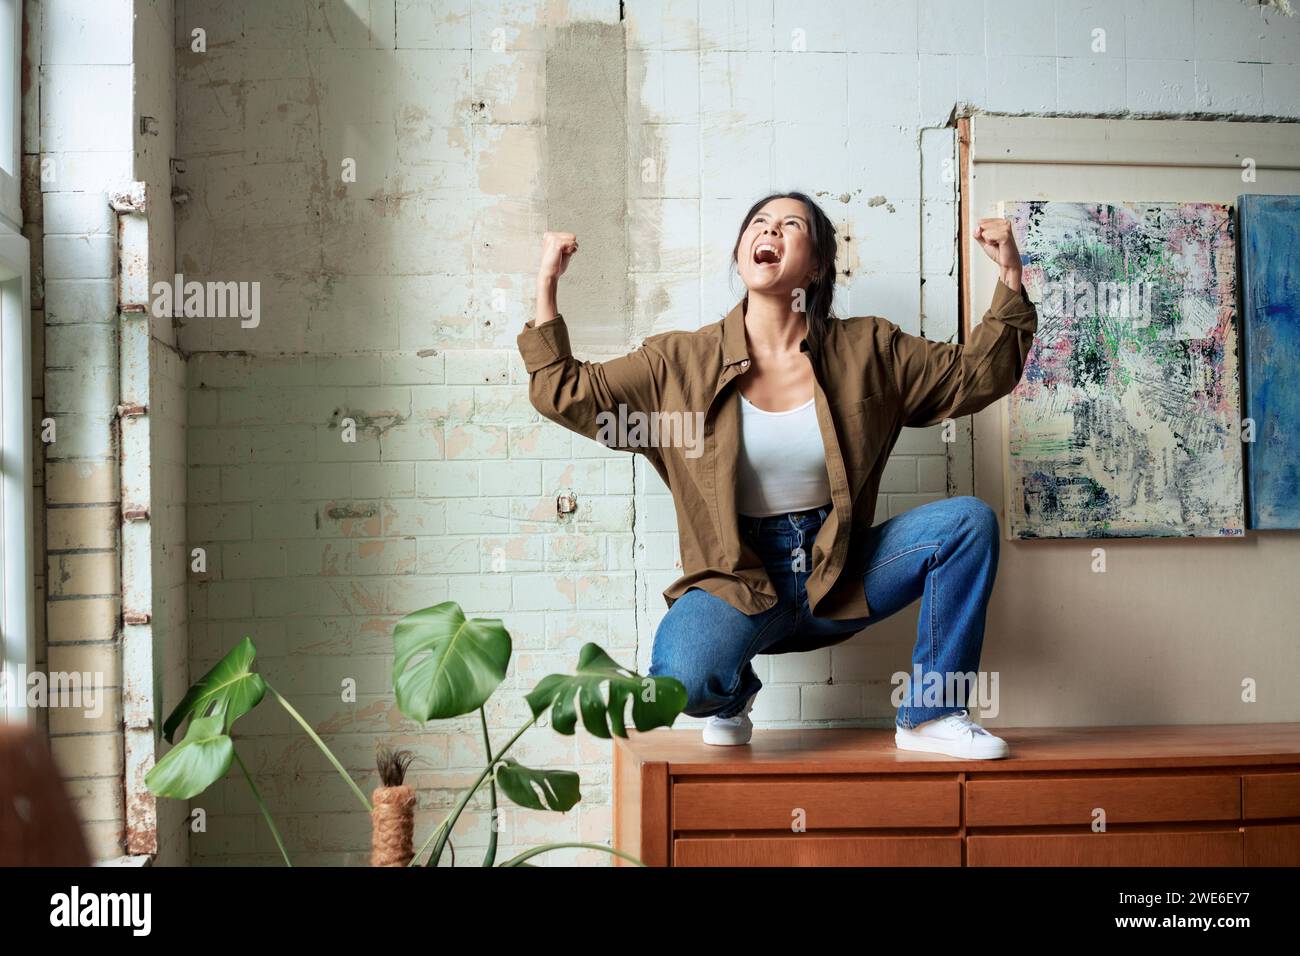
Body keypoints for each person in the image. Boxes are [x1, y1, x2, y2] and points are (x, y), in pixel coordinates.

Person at [517, 191, 1037, 759]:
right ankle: (734, 693)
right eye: (759, 222)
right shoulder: (677, 363)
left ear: (814, 265)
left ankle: (931, 714)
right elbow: (566, 392)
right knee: (685, 684)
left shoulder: (868, 349)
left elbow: (976, 376)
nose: (771, 231)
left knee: (967, 523)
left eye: (792, 224)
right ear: (744, 249)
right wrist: (548, 282)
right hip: (736, 578)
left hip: (839, 570)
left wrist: (1010, 273)